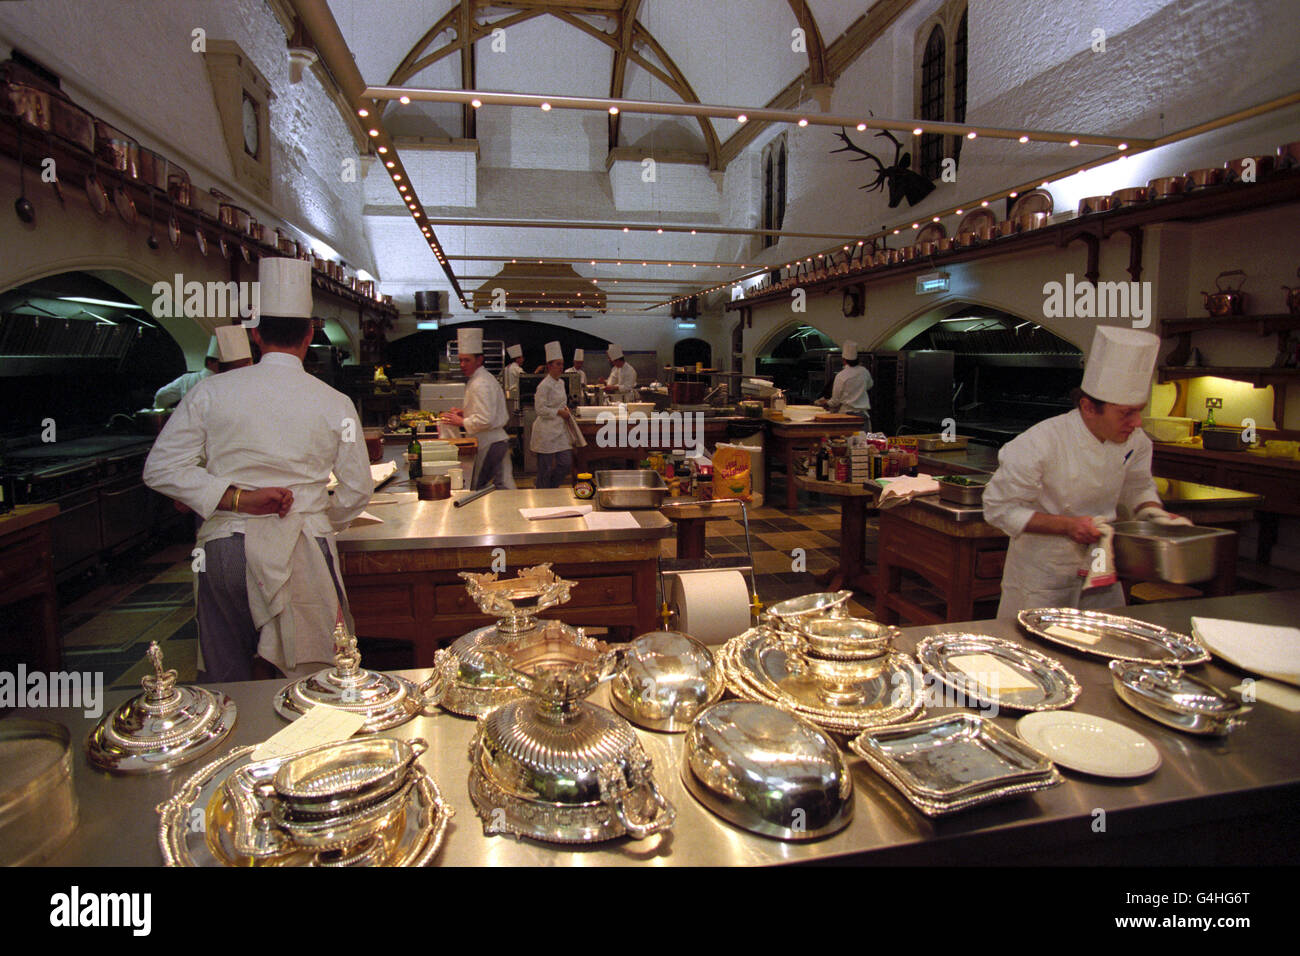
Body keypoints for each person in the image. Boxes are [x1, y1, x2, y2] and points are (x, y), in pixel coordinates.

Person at [143, 258, 372, 682]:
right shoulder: (335, 402)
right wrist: (322, 517)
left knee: (228, 676)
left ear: (255, 334)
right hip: (305, 545)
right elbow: (358, 491)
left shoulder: (210, 392)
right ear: (309, 334)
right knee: (309, 678)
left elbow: (160, 469)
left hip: (224, 548)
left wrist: (234, 499)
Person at [983, 326, 1190, 619]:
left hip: (1101, 566)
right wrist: (1068, 526)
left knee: (1102, 641)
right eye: (1126, 413)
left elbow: (1138, 486)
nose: (1138, 422)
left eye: (1139, 410)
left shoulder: (1136, 441)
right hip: (1043, 573)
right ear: (1089, 407)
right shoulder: (1039, 442)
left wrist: (1152, 512)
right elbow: (999, 509)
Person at [443, 326, 515, 489]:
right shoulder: (479, 378)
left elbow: (485, 419)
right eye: (460, 360)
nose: (462, 364)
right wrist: (465, 412)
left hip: (489, 442)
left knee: (478, 487)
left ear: (479, 360)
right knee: (503, 485)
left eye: (467, 360)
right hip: (495, 441)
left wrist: (461, 421)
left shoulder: (481, 383)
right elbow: (486, 411)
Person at [532, 341, 575, 488]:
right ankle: (543, 493)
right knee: (545, 468)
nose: (561, 367)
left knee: (565, 463)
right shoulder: (543, 386)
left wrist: (565, 410)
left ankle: (551, 487)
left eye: (562, 364)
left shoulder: (561, 382)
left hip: (560, 430)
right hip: (546, 431)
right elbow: (539, 409)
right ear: (549, 366)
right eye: (558, 364)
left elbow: (560, 402)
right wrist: (558, 412)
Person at [817, 340, 873, 428]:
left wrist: (823, 402)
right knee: (864, 440)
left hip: (847, 416)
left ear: (844, 360)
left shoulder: (841, 376)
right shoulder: (864, 371)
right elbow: (870, 385)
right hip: (863, 416)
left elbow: (835, 401)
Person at [153, 335, 219, 407]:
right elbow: (161, 396)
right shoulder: (188, 380)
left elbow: (161, 396)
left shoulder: (187, 380)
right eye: (220, 363)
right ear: (210, 362)